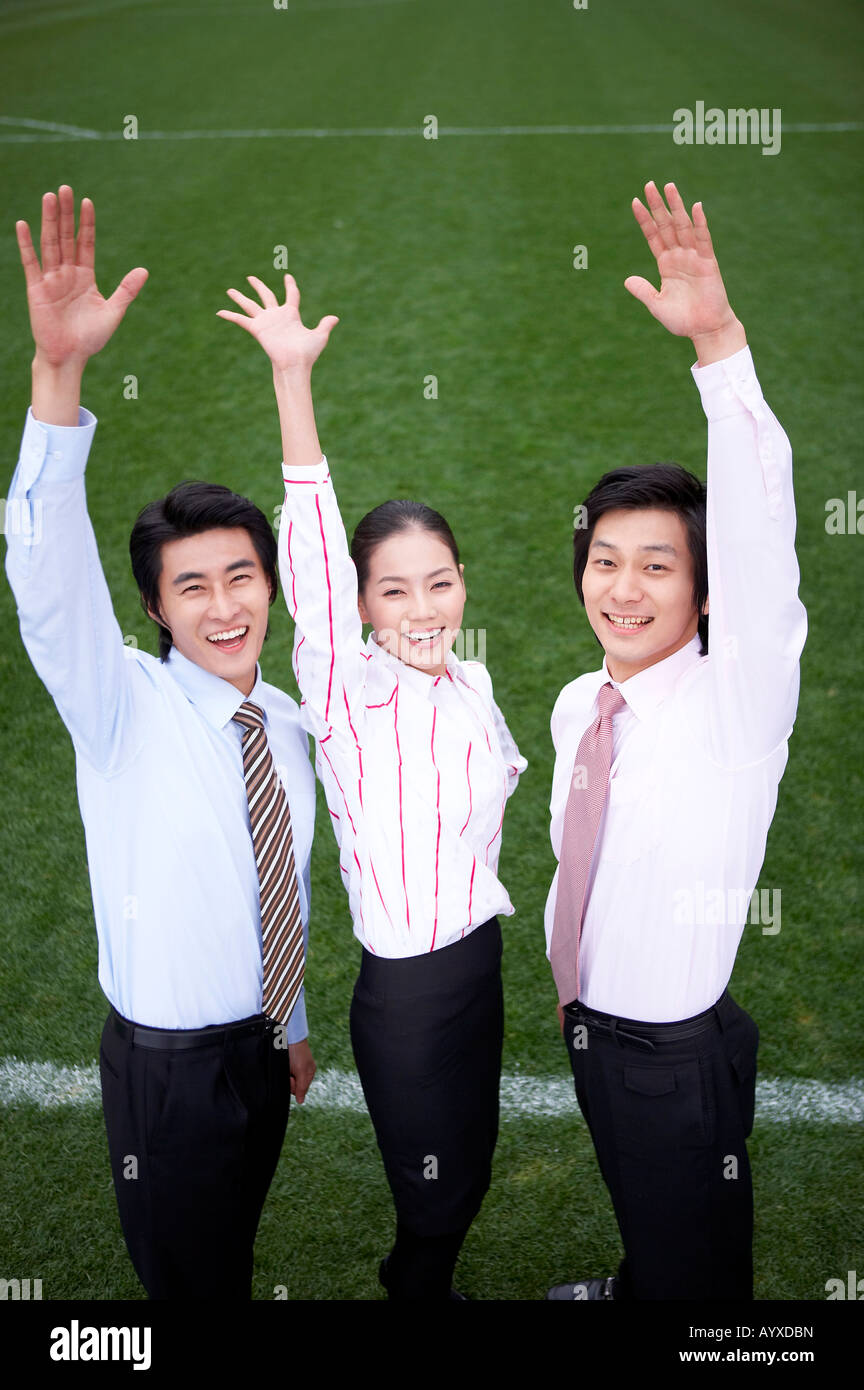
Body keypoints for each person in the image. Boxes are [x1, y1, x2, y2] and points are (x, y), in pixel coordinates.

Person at [5, 186, 317, 1299]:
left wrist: (290, 1021)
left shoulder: (281, 720)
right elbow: (45, 580)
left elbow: (276, 878)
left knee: (230, 1255)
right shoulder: (121, 704)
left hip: (255, 1044)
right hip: (168, 1068)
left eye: (242, 576)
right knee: (188, 1281)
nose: (224, 605)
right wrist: (59, 379)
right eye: (192, 586)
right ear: (154, 609)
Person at [217, 270, 527, 1300]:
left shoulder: (473, 681)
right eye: (394, 588)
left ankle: (424, 1273)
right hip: (408, 994)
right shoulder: (350, 693)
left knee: (470, 1169)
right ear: (362, 603)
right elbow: (307, 554)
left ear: (463, 584)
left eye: (439, 580)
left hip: (480, 963)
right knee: (435, 1197)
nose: (423, 605)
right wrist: (291, 379)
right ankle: (414, 1286)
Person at [544, 181, 807, 1301]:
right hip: (595, 1029)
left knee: (701, 1273)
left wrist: (718, 347)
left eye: (659, 565)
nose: (624, 585)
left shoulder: (736, 701)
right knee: (651, 1213)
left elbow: (759, 534)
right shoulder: (576, 703)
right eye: (607, 558)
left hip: (669, 1051)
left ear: (705, 595)